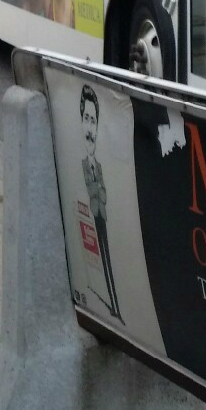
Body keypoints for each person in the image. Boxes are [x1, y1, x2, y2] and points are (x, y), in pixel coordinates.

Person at [79, 84, 120, 318]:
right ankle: (107, 303)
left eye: (93, 121)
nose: (90, 128)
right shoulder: (85, 164)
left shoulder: (99, 166)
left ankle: (114, 304)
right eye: (86, 119)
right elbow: (94, 190)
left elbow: (101, 191)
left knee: (109, 260)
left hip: (102, 215)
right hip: (94, 214)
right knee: (98, 261)